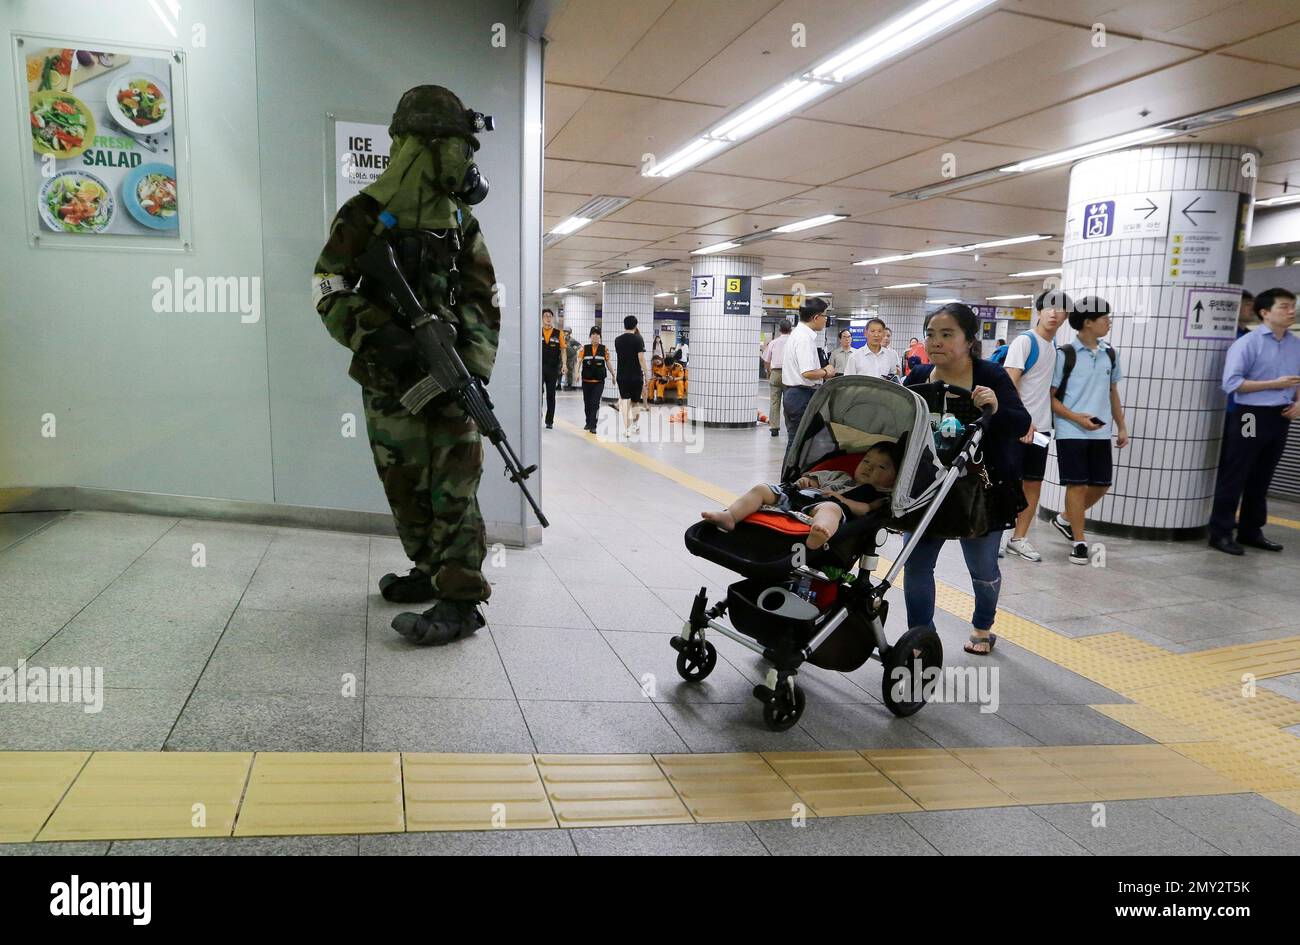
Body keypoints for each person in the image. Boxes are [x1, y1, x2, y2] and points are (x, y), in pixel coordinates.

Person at [312, 84, 498, 646]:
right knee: (403, 482)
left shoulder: (459, 222)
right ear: (423, 144)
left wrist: (468, 371)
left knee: (455, 489)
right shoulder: (364, 215)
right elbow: (329, 284)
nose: (464, 162)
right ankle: (427, 569)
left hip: (448, 381)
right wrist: (380, 334)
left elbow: (481, 298)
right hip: (387, 381)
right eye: (457, 147)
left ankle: (462, 598)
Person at [904, 303, 1031, 655]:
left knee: (982, 566)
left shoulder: (990, 375)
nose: (936, 342)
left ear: (970, 341)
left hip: (981, 489)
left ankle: (982, 626)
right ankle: (921, 638)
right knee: (916, 564)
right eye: (931, 334)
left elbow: (1021, 423)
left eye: (947, 334)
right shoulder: (917, 378)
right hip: (925, 489)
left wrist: (996, 406)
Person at [1209, 287, 1300, 555]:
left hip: (1281, 416)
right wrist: (1275, 384)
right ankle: (1221, 532)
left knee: (1263, 475)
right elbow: (1232, 383)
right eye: (1284, 306)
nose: (1291, 311)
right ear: (1265, 312)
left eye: (1293, 305)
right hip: (1250, 414)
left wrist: (1298, 403)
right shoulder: (1248, 343)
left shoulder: (1296, 344)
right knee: (1237, 471)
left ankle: (1251, 530)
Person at [1047, 295, 1129, 565]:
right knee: (1077, 485)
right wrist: (1076, 418)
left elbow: (1112, 392)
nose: (1109, 323)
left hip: (1100, 432)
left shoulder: (1109, 354)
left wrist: (1121, 427)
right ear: (1089, 322)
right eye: (1105, 318)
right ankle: (1079, 542)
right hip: (1071, 431)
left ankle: (1065, 519)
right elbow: (1052, 397)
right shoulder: (1065, 355)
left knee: (1102, 484)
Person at [702, 442, 900, 550]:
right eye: (866, 461)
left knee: (830, 510)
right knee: (762, 489)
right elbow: (814, 478)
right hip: (797, 498)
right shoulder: (840, 475)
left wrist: (842, 500)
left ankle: (819, 533)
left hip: (822, 508)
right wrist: (807, 482)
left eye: (881, 467)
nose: (869, 467)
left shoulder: (873, 494)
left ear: (893, 479)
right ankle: (731, 516)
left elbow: (865, 509)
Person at [1001, 289, 1072, 562]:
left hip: (1041, 430)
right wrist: (1023, 421)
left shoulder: (1053, 348)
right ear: (1039, 311)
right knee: (1008, 483)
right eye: (1049, 308)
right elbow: (1010, 384)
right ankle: (998, 536)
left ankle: (1019, 538)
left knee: (1033, 484)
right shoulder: (1025, 341)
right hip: (1018, 427)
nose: (1054, 313)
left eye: (1060, 309)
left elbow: (1047, 392)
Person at [783, 298, 836, 438]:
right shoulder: (804, 339)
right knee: (799, 442)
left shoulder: (799, 334)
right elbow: (807, 372)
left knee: (798, 441)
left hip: (796, 394)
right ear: (816, 317)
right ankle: (792, 462)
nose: (826, 320)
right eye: (825, 316)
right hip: (801, 395)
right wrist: (826, 372)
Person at [614, 315, 647, 436]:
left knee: (624, 402)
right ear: (635, 325)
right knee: (635, 402)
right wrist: (647, 375)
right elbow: (641, 359)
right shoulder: (638, 339)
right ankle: (635, 425)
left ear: (624, 325)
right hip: (635, 376)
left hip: (622, 375)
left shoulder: (617, 340)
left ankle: (627, 428)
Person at [578, 326, 612, 433]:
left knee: (595, 402)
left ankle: (593, 425)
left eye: (598, 334)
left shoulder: (604, 349)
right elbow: (578, 361)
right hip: (586, 382)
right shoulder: (584, 348)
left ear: (600, 337)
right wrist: (576, 373)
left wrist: (614, 374)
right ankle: (588, 422)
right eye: (593, 334)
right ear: (590, 336)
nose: (596, 336)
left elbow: (608, 362)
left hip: (599, 382)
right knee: (587, 403)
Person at [764, 321, 792, 438]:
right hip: (789, 374)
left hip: (775, 372)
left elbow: (766, 360)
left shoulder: (773, 343)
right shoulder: (793, 342)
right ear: (791, 329)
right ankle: (790, 427)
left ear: (780, 330)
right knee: (789, 402)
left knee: (774, 401)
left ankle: (774, 427)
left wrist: (769, 372)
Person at [540, 308, 565, 429]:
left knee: (551, 395)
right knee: (538, 394)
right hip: (538, 368)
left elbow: (563, 350)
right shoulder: (537, 332)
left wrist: (564, 365)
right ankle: (537, 415)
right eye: (545, 316)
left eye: (550, 316)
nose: (548, 318)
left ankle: (549, 421)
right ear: (542, 318)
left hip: (553, 368)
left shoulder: (558, 333)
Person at [563, 324, 579, 390]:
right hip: (563, 357)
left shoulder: (572, 340)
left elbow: (580, 346)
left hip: (571, 358)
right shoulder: (561, 339)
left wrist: (574, 349)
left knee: (569, 371)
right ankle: (558, 384)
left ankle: (569, 384)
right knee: (559, 371)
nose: (565, 333)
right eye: (564, 331)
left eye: (567, 332)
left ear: (569, 333)